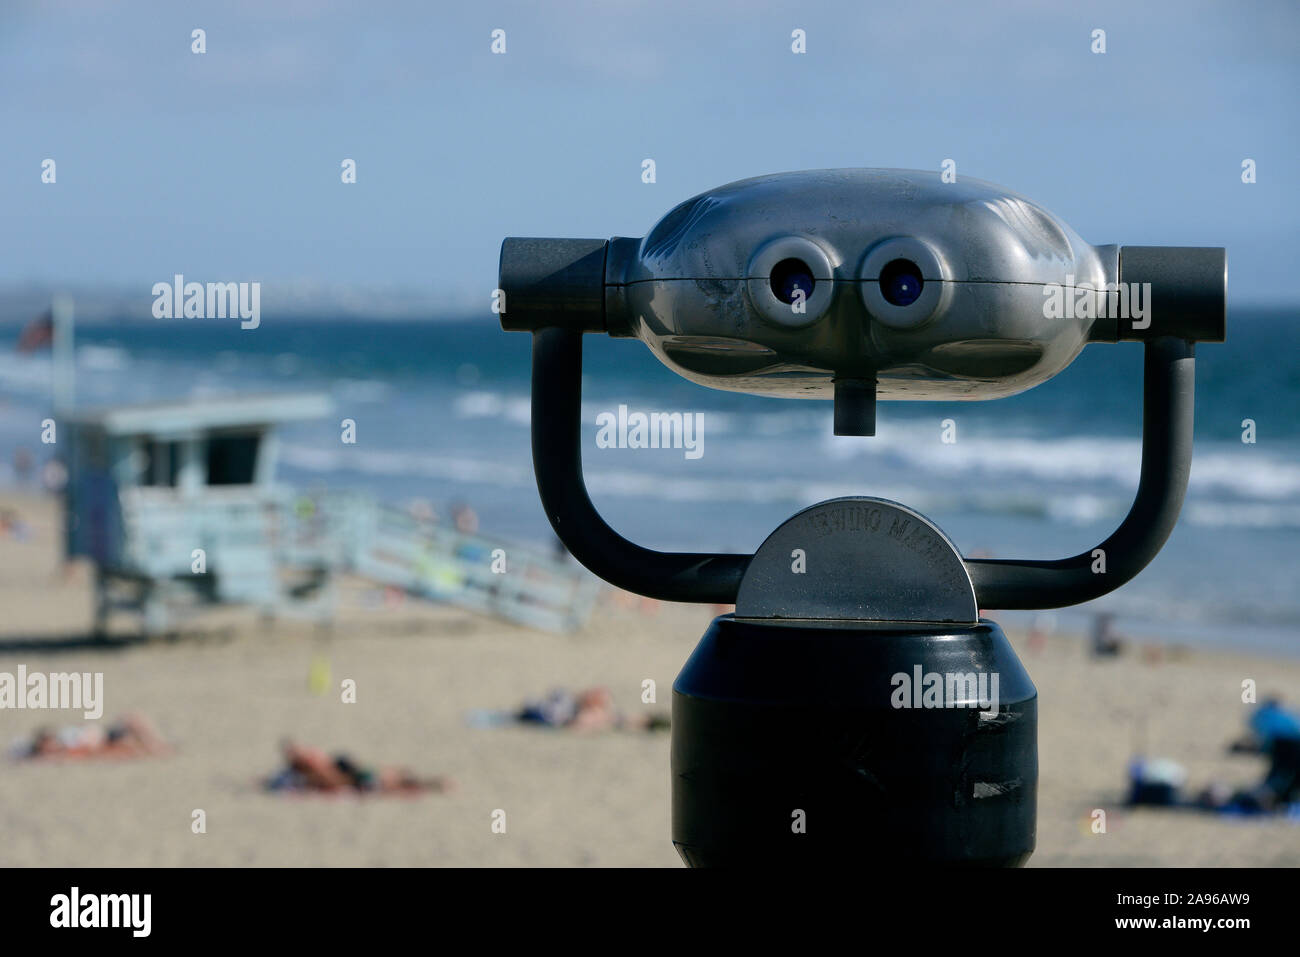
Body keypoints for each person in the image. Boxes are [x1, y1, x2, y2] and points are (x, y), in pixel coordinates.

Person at [264, 740, 455, 795]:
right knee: (390, 781)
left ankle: (432, 783)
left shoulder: (312, 763)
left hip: (346, 770)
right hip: (350, 776)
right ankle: (434, 784)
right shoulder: (308, 771)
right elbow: (335, 782)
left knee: (387, 777)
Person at [14, 713, 170, 760]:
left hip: (103, 732)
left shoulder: (62, 738)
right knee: (131, 735)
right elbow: (94, 751)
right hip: (104, 739)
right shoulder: (66, 750)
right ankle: (157, 747)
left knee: (132, 719)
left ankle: (157, 745)